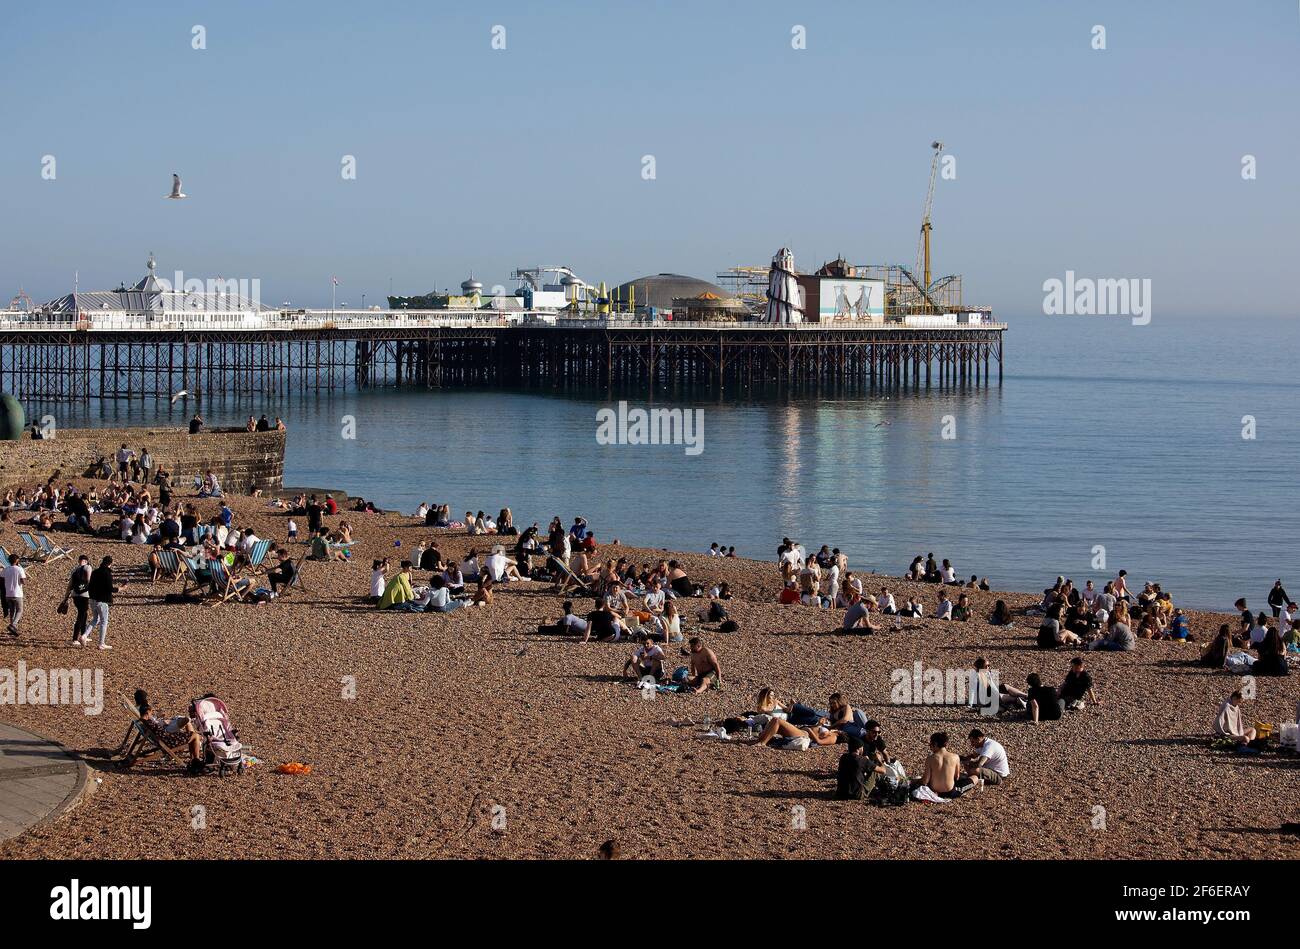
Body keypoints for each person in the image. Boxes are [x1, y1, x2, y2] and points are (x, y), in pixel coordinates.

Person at [912, 731, 971, 798]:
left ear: (936, 744)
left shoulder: (930, 759)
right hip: (950, 792)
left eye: (931, 744)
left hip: (934, 791)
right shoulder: (955, 757)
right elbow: (956, 777)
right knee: (975, 778)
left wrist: (915, 781)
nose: (930, 747)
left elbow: (925, 781)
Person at [82, 556, 117, 650]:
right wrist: (120, 588)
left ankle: (84, 635)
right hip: (102, 601)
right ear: (110, 564)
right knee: (104, 621)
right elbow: (110, 588)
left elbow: (89, 586)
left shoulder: (95, 572)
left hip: (92, 599)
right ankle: (101, 643)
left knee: (95, 619)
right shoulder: (107, 574)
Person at [62, 555, 93, 644]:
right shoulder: (88, 567)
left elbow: (70, 585)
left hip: (75, 595)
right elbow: (89, 581)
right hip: (84, 595)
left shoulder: (75, 570)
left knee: (84, 614)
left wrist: (66, 597)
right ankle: (75, 639)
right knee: (81, 615)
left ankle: (84, 635)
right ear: (86, 561)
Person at [3, 555, 26, 637]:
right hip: (17, 594)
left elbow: (1, 579)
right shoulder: (20, 569)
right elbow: (23, 581)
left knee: (12, 611)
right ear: (17, 560)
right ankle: (13, 624)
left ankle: (13, 628)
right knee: (19, 610)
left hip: (8, 594)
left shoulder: (5, 569)